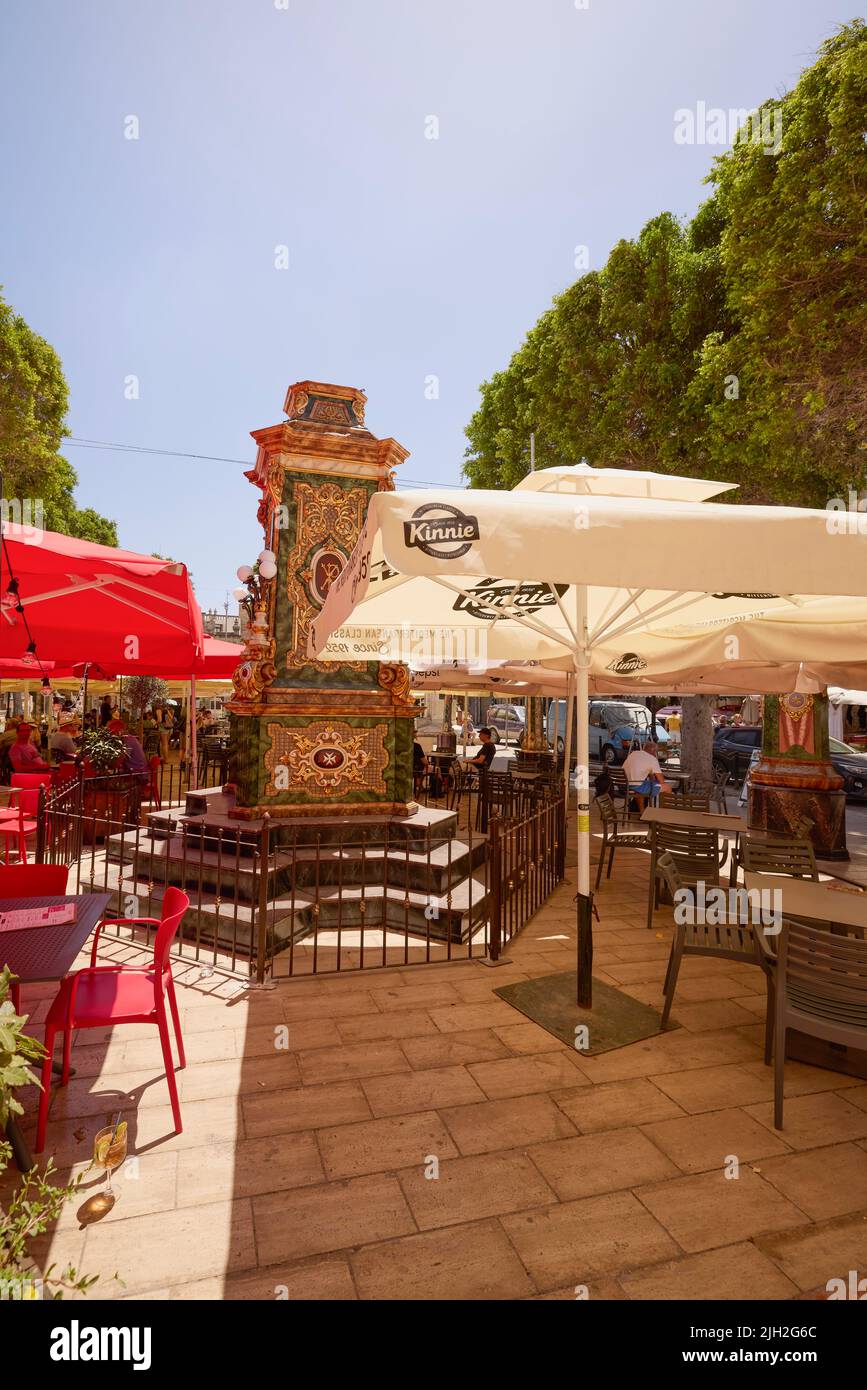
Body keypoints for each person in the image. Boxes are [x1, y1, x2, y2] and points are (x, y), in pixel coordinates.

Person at [623, 739, 666, 812]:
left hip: (624, 784)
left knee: (642, 786)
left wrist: (650, 774)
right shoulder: (652, 759)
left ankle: (642, 812)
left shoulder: (634, 753)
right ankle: (662, 813)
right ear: (654, 752)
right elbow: (661, 781)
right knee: (666, 788)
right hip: (636, 785)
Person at [108, 718, 149, 784]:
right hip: (134, 772)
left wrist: (109, 764)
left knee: (109, 783)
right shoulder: (128, 738)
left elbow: (120, 759)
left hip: (138, 775)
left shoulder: (127, 740)